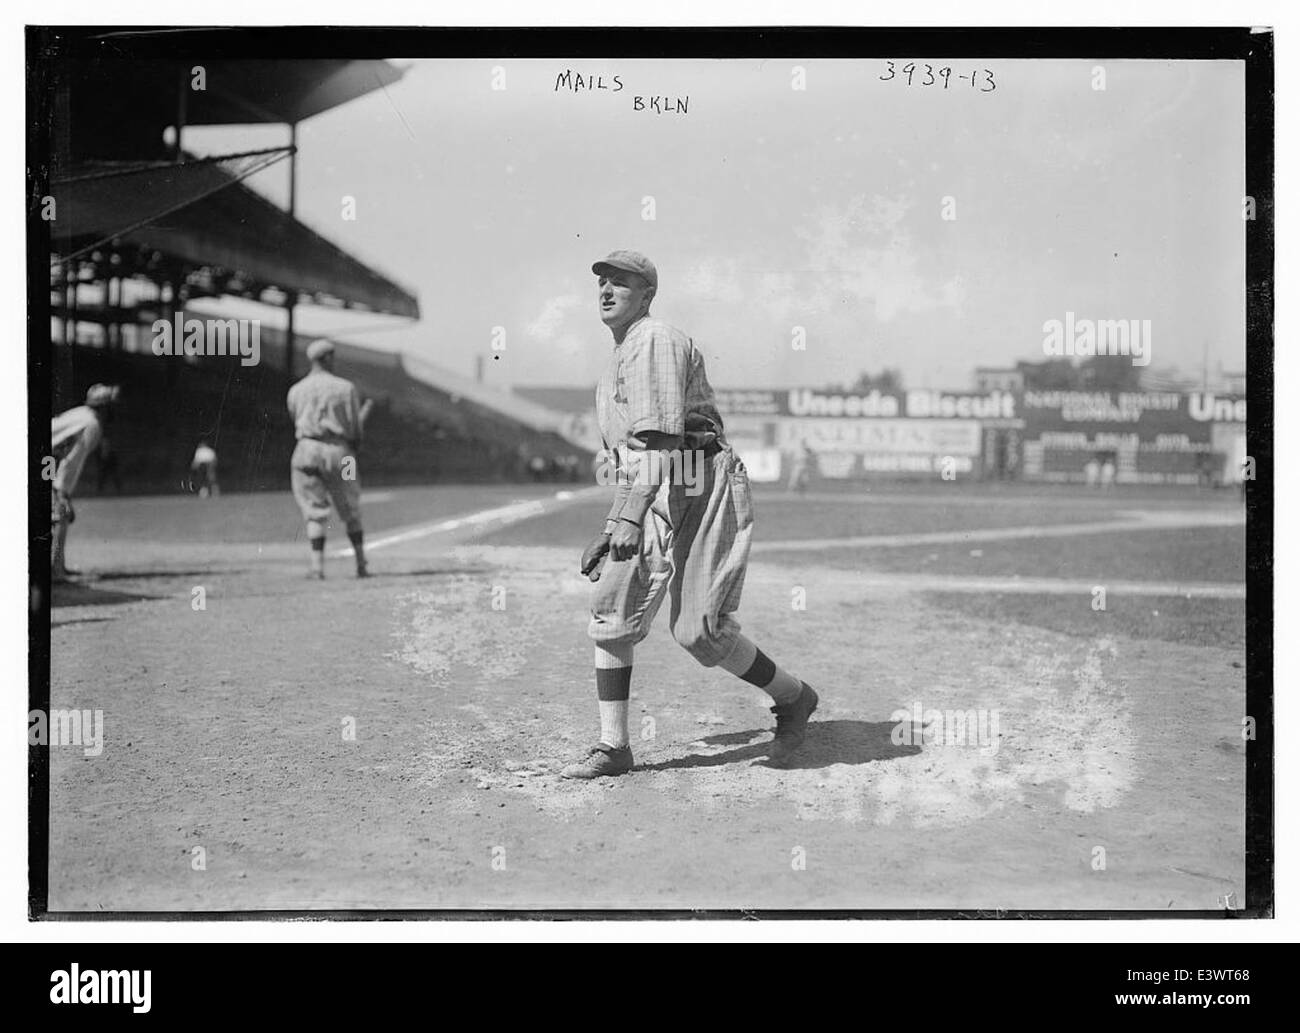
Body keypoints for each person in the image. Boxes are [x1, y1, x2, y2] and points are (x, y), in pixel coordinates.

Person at [563, 250, 818, 779]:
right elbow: (634, 458)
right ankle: (614, 747)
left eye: (622, 283)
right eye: (602, 283)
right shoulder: (614, 363)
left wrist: (630, 516)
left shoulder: (655, 339)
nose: (607, 290)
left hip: (701, 481)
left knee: (699, 633)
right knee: (611, 604)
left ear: (648, 294)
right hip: (653, 486)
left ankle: (794, 698)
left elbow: (665, 440)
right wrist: (614, 525)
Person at [286, 339, 373, 579]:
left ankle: (317, 568)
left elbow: (295, 417)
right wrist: (354, 445)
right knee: (351, 506)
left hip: (306, 451)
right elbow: (355, 427)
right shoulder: (346, 388)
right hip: (340, 453)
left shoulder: (296, 390)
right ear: (327, 358)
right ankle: (360, 565)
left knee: (314, 509)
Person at [51, 383, 120, 581]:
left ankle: (56, 567)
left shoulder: (81, 414)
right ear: (104, 407)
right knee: (60, 515)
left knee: (57, 516)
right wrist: (62, 490)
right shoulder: (92, 424)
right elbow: (73, 457)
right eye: (110, 406)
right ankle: (56, 571)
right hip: (43, 462)